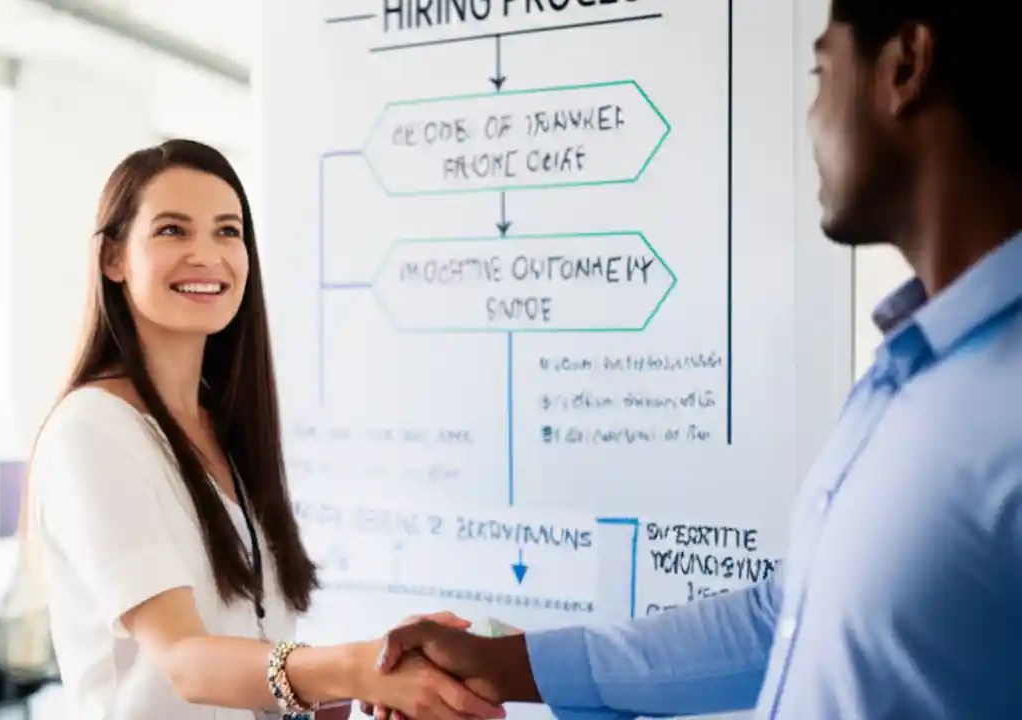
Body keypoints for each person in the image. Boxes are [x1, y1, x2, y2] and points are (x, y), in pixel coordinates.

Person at [373, 1, 1022, 718]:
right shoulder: (905, 376)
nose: (810, 117)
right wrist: (509, 665)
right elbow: (789, 619)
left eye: (822, 71)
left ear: (905, 67)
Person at [26, 139, 505, 720]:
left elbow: (262, 679)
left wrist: (385, 668)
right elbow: (185, 662)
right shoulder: (93, 431)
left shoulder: (221, 427)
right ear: (114, 259)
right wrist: (357, 667)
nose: (207, 255)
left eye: (228, 232)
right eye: (173, 231)